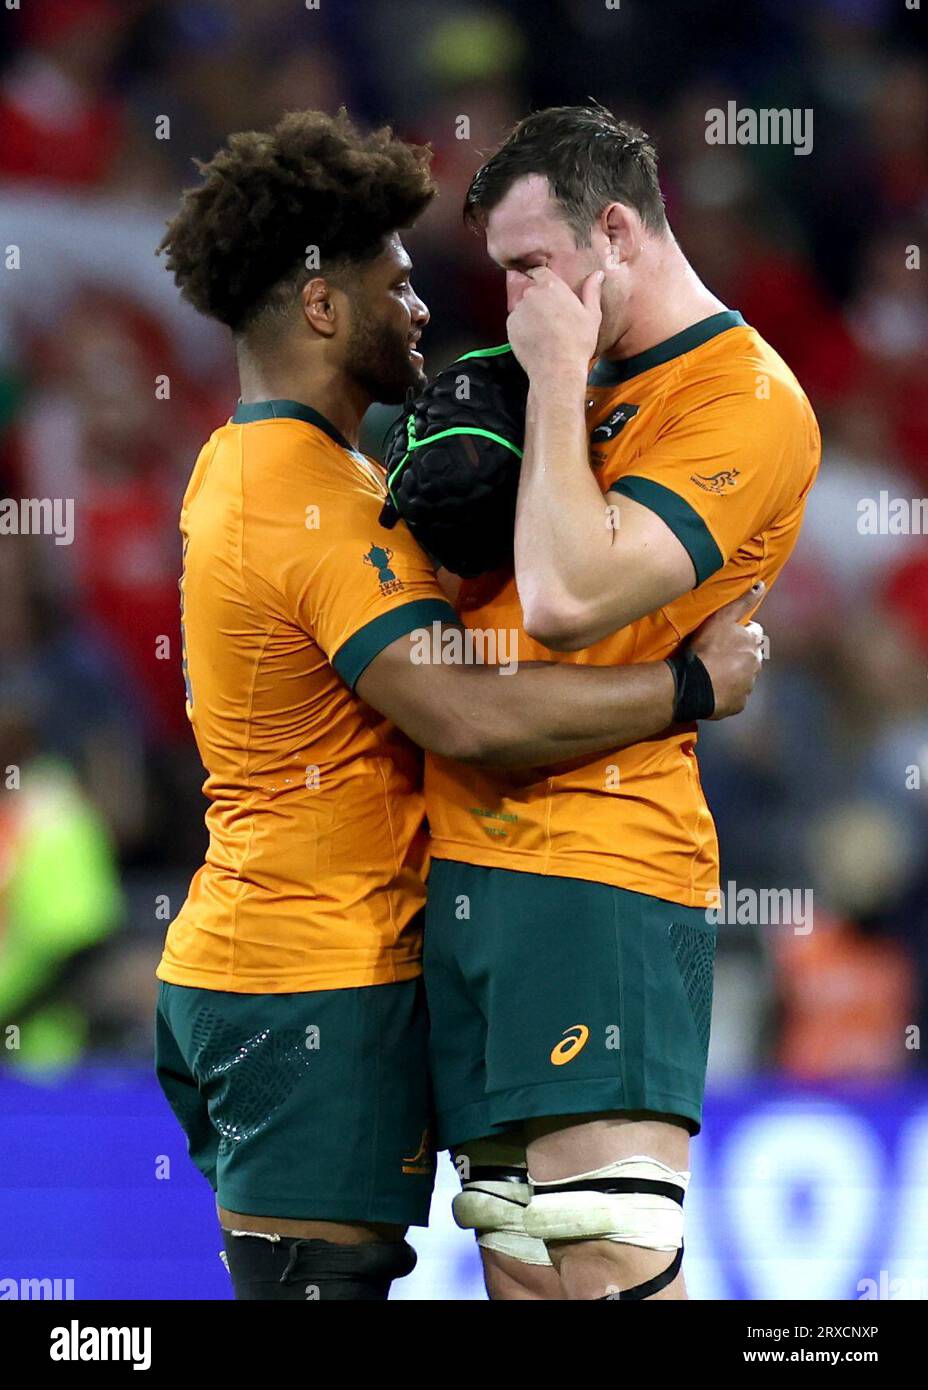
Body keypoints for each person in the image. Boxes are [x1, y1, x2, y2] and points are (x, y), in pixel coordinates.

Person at [153, 109, 765, 1302]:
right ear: (322, 307)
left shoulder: (286, 469)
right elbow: (468, 717)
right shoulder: (307, 500)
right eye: (398, 283)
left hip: (298, 963)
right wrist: (689, 685)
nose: (423, 308)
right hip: (304, 982)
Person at [423, 103, 820, 1301]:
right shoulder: (569, 382)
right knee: (525, 1263)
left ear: (615, 230)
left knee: (607, 1258)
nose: (516, 303)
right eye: (501, 278)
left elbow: (565, 595)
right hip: (470, 862)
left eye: (532, 266)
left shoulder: (743, 397)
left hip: (599, 867)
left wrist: (548, 379)